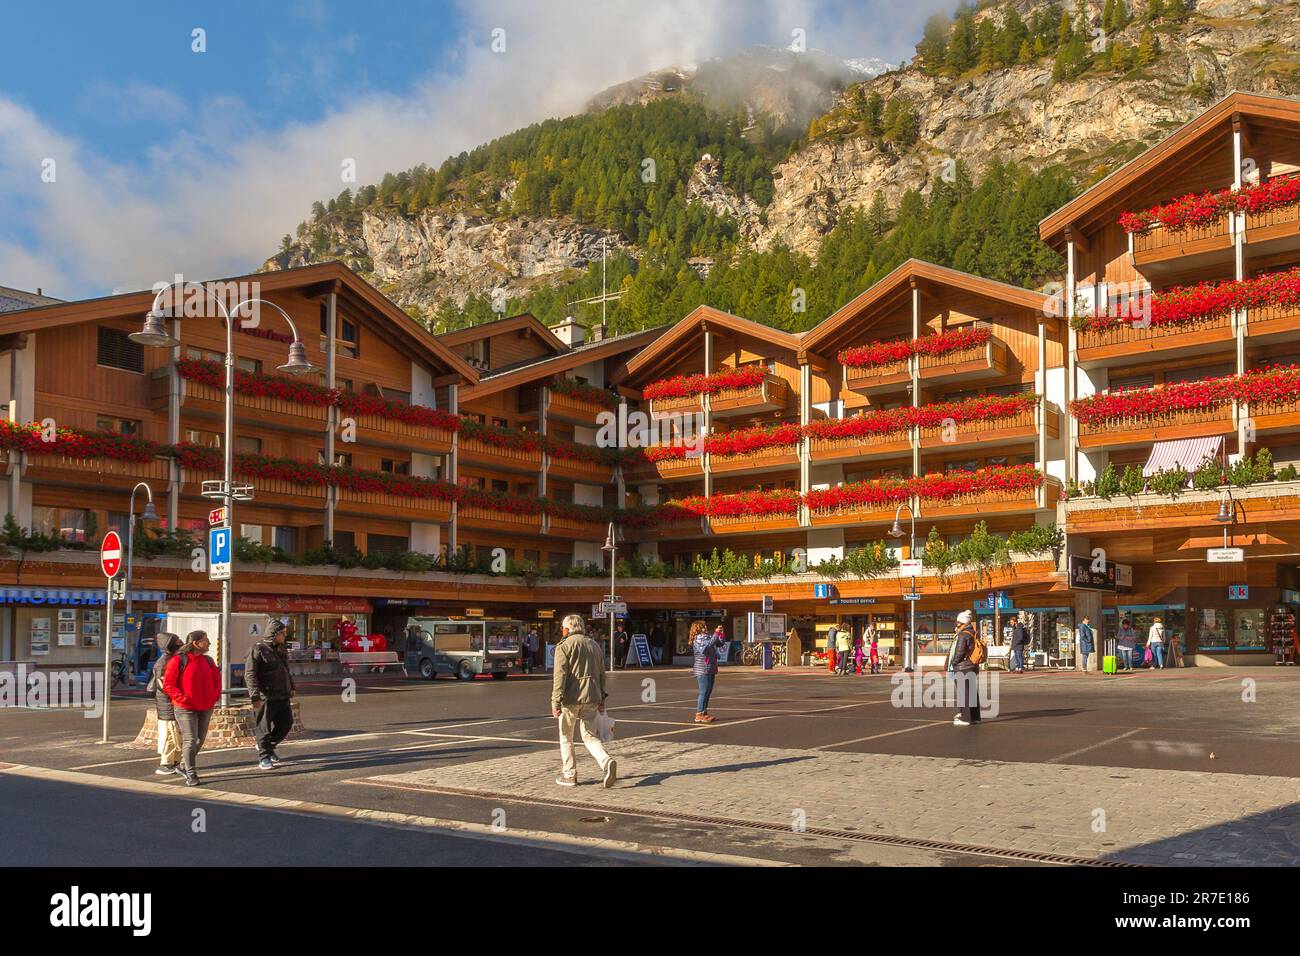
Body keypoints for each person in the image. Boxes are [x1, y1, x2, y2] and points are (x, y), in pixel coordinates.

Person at [551, 614, 616, 788]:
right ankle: (606, 760)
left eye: (562, 628)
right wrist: (602, 698)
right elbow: (602, 674)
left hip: (570, 699)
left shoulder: (563, 646)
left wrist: (555, 702)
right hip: (592, 697)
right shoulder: (594, 645)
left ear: (567, 629)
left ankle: (570, 774)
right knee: (590, 736)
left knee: (566, 737)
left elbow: (560, 677)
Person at [162, 629, 222, 787]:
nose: (208, 642)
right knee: (190, 739)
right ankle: (191, 772)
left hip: (205, 706)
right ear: (196, 643)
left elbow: (217, 681)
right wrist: (182, 698)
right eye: (205, 639)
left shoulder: (208, 660)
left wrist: (214, 697)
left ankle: (183, 765)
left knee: (200, 739)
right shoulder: (178, 661)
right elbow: (168, 684)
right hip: (185, 708)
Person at [245, 616, 296, 770]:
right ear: (274, 634)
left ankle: (269, 746)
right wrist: (254, 696)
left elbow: (286, 669)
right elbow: (250, 674)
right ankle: (264, 757)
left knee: (286, 724)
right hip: (265, 696)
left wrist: (291, 686)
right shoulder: (258, 649)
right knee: (263, 727)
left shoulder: (281, 649)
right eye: (282, 633)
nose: (284, 635)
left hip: (282, 694)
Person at [149, 633, 183, 776]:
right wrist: (180, 697)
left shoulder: (172, 658)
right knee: (170, 734)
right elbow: (165, 685)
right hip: (167, 705)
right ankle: (166, 763)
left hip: (171, 702)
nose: (181, 642)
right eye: (177, 641)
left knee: (175, 733)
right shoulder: (164, 662)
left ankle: (175, 761)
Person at [691, 620, 727, 723]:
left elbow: (720, 644)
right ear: (698, 628)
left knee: (708, 692)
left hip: (710, 667)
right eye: (703, 626)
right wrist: (715, 634)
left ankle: (704, 712)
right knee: (704, 692)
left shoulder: (707, 637)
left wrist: (720, 634)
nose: (705, 627)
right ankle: (699, 714)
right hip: (702, 669)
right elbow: (706, 648)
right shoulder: (698, 638)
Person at [950, 610, 982, 726]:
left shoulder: (963, 635)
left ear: (962, 622)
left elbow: (959, 652)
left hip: (963, 667)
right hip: (972, 666)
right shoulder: (972, 632)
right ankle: (975, 717)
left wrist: (954, 663)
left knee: (964, 692)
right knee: (972, 691)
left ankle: (966, 718)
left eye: (958, 622)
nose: (956, 624)